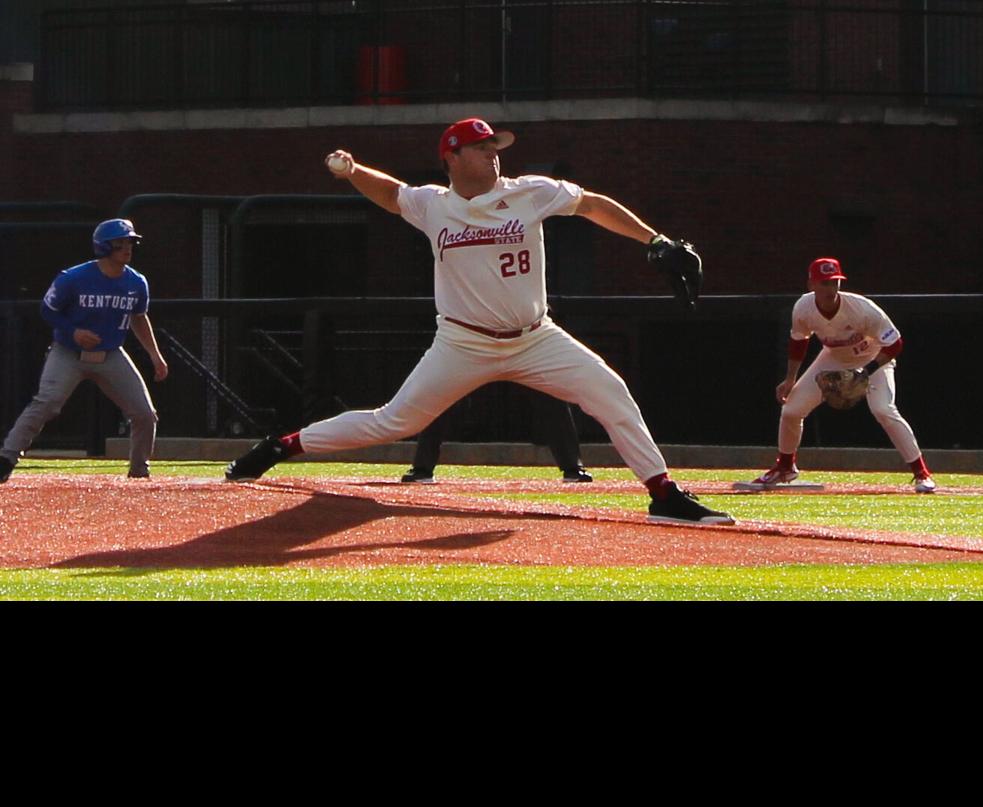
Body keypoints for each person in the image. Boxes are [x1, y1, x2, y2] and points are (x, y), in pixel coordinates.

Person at [223, 117, 732, 524]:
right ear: (452, 156)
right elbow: (391, 193)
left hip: (536, 338)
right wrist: (354, 169)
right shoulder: (434, 205)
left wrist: (656, 240)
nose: (495, 154)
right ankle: (283, 444)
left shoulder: (529, 191)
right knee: (394, 422)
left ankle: (662, 492)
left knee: (611, 391)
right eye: (483, 147)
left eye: (496, 147)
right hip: (463, 343)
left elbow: (592, 205)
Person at [0, 219, 170, 484]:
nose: (127, 248)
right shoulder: (74, 278)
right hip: (68, 352)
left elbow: (139, 317)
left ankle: (139, 471)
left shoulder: (136, 282)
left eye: (130, 243)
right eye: (120, 243)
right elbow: (48, 310)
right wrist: (73, 331)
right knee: (46, 402)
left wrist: (154, 354)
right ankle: (6, 458)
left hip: (111, 354)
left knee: (144, 414)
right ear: (103, 247)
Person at [745, 257, 935, 493]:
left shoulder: (862, 309)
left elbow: (894, 344)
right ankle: (785, 467)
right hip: (834, 357)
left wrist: (866, 372)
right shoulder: (803, 308)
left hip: (873, 359)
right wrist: (790, 379)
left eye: (835, 282)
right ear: (811, 284)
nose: (830, 288)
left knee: (884, 410)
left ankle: (921, 473)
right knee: (792, 409)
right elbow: (799, 342)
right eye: (824, 283)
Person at [401, 388, 593, 484]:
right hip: (476, 342)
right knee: (440, 392)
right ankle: (422, 469)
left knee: (551, 392)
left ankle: (572, 469)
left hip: (523, 342)